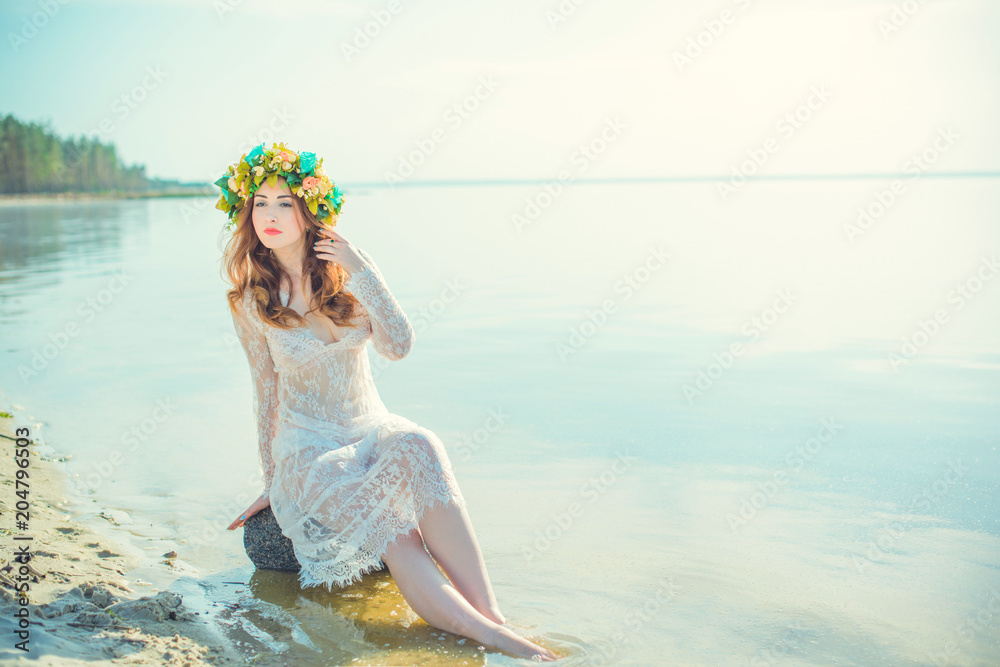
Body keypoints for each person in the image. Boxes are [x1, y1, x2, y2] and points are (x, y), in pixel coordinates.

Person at [218, 142, 557, 661]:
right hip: (307, 446)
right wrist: (276, 484)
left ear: (310, 210)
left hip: (367, 428)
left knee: (421, 443)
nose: (270, 215)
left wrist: (360, 268)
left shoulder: (349, 269)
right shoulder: (250, 299)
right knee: (396, 530)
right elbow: (266, 396)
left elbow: (398, 346)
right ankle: (492, 640)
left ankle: (491, 615)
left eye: (285, 202)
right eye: (260, 203)